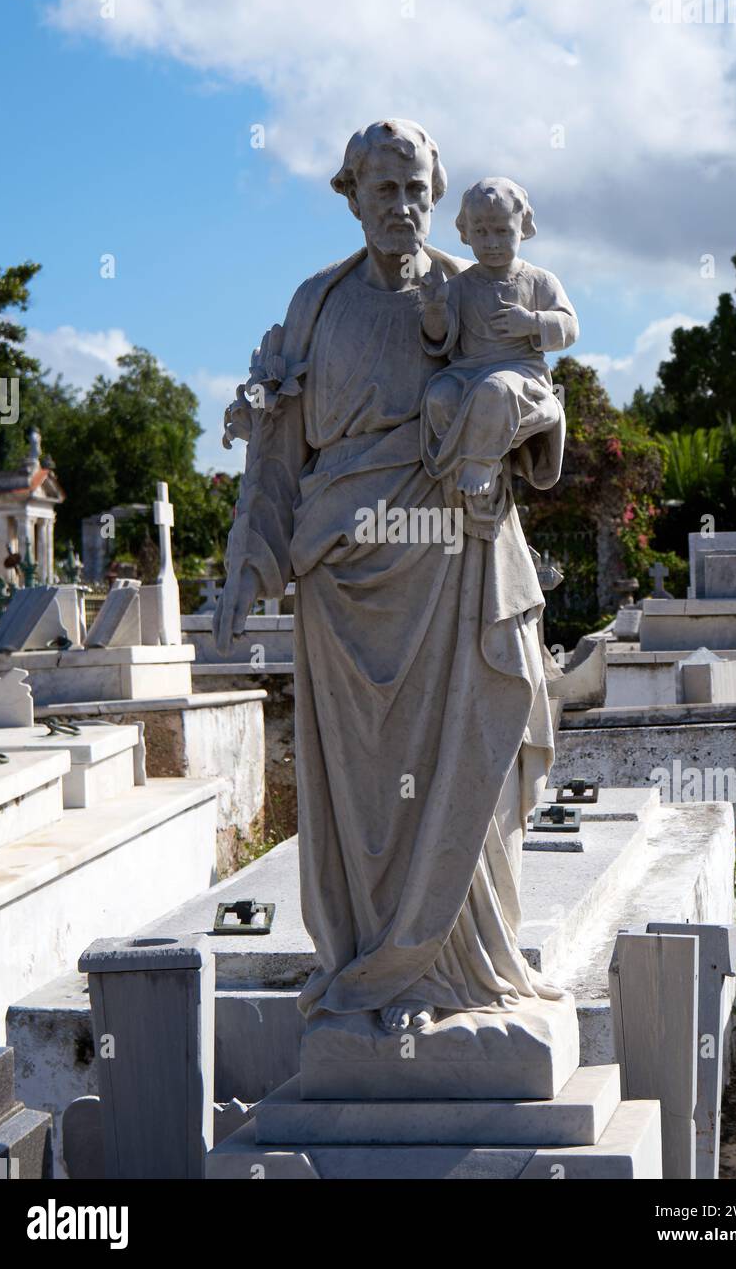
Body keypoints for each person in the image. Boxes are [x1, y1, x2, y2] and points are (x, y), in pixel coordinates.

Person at [215, 120, 569, 1034]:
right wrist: (253, 554)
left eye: (418, 191)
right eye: (386, 192)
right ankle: (377, 965)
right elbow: (280, 445)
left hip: (452, 565)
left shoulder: (472, 286)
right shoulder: (314, 304)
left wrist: (508, 419)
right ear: (352, 196)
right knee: (370, 796)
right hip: (342, 580)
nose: (405, 208)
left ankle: (458, 973)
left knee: (465, 775)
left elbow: (533, 387)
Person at [419, 176, 577, 537]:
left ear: (523, 228)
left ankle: (481, 462)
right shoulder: (459, 286)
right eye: (481, 231)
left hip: (521, 376)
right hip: (467, 372)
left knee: (497, 389)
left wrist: (531, 322)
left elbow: (569, 328)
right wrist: (435, 308)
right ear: (466, 232)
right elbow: (440, 338)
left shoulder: (539, 281)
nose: (491, 243)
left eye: (502, 231)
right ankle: (460, 472)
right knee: (439, 396)